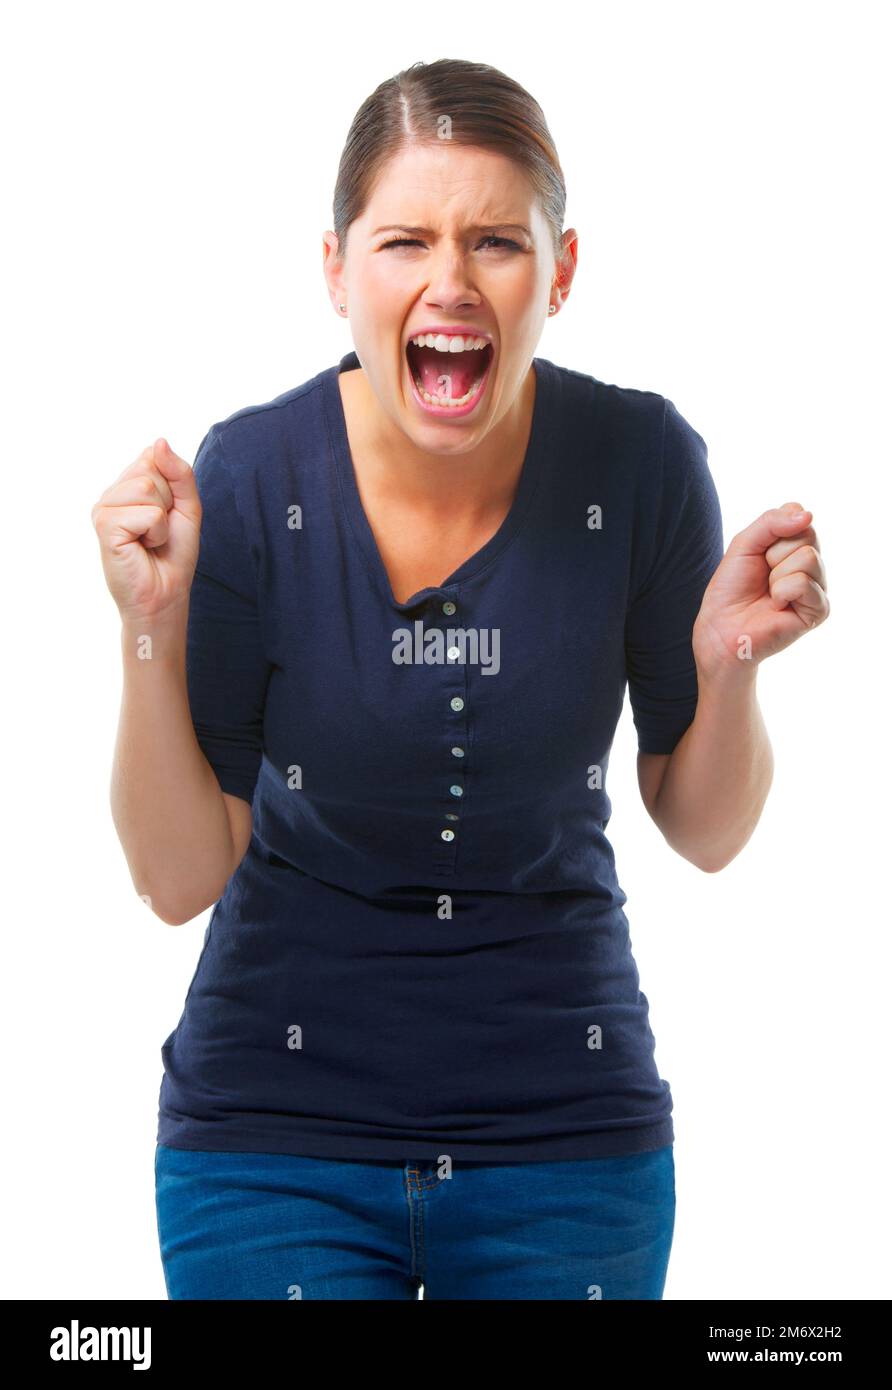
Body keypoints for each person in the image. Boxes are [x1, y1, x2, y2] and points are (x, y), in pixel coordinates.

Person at [91, 58, 830, 1301]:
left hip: (566, 1140)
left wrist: (729, 668)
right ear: (336, 272)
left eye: (495, 240)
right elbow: (176, 880)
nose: (449, 282)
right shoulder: (253, 469)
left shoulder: (640, 462)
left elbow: (702, 831)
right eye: (402, 242)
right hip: (273, 1141)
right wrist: (146, 627)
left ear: (563, 270)